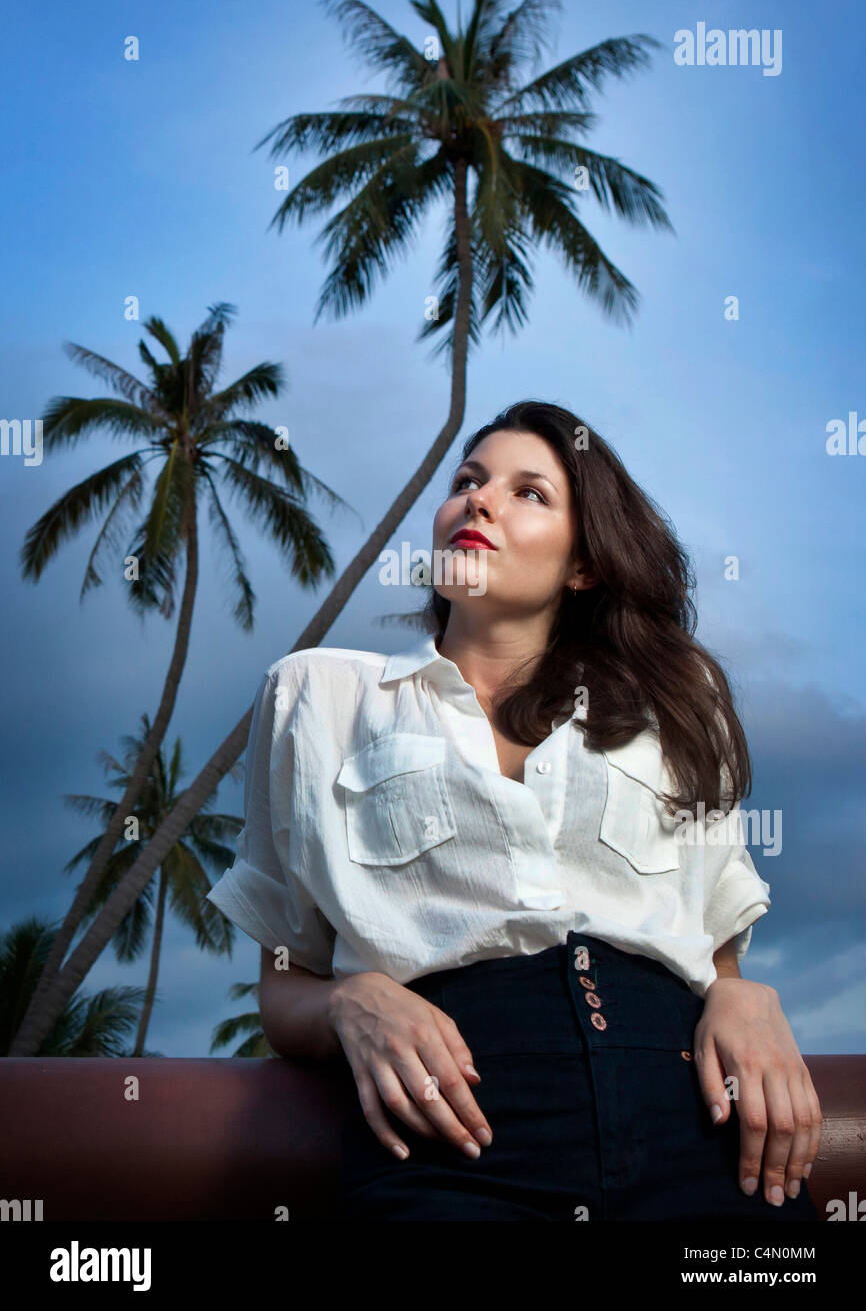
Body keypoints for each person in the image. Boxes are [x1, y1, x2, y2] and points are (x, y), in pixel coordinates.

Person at [206, 399, 822, 1223]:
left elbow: (714, 952)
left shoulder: (676, 706)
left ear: (583, 566)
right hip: (454, 1141)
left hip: (703, 1137)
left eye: (530, 492)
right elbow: (286, 987)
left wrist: (744, 996)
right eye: (468, 480)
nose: (480, 500)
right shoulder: (316, 695)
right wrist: (349, 1002)